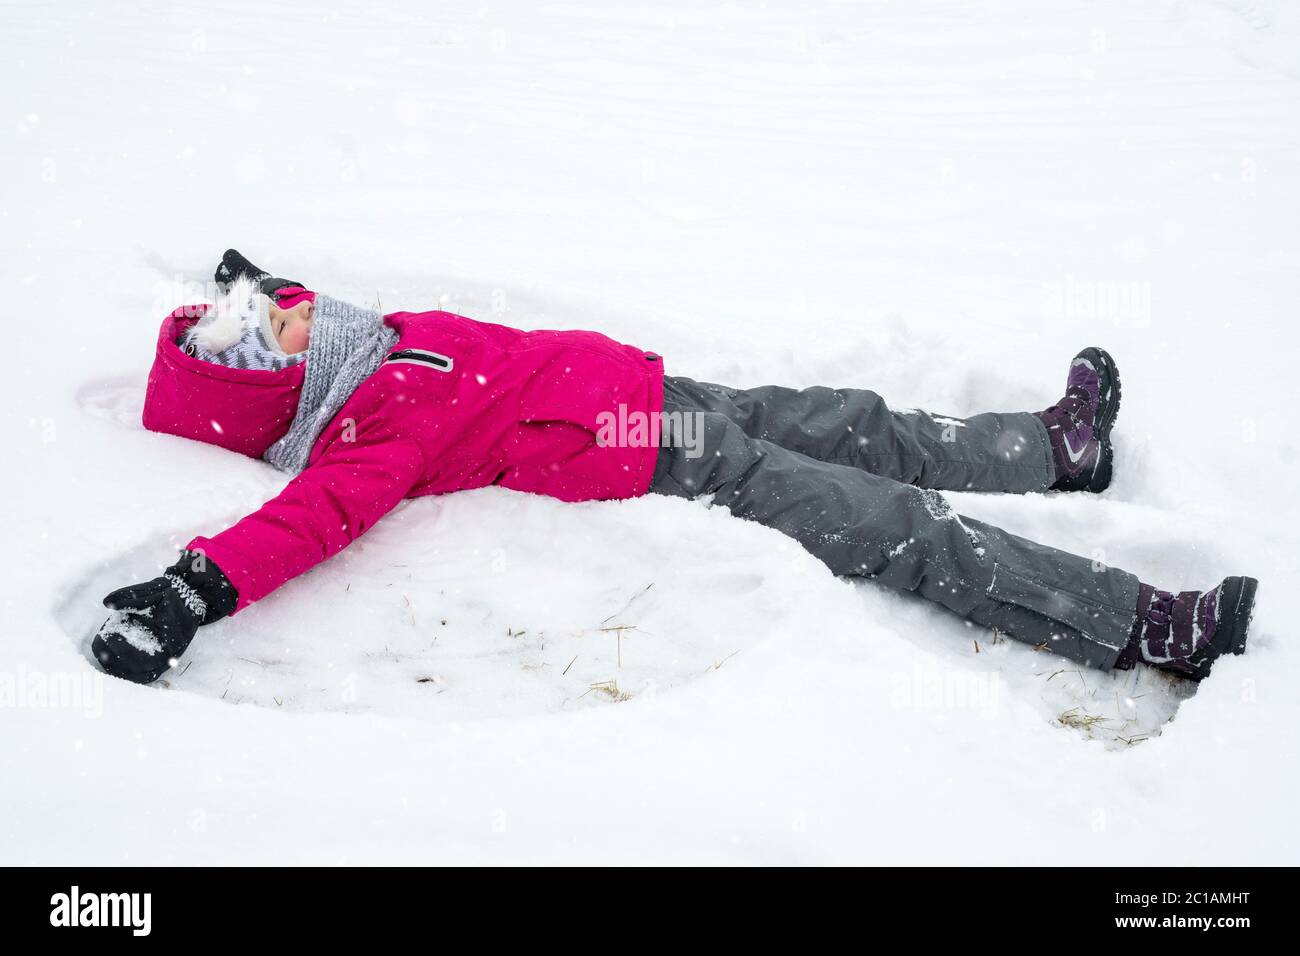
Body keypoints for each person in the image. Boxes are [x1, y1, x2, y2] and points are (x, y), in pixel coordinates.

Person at [90, 250, 1257, 685]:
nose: (285, 312)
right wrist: (198, 587)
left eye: (266, 308)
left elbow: (289, 299)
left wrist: (235, 292)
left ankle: (1053, 448)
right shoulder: (360, 425)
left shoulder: (359, 336)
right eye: (267, 333)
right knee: (888, 513)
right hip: (653, 453)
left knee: (854, 420)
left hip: (658, 398)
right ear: (278, 389)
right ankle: (1141, 621)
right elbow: (315, 517)